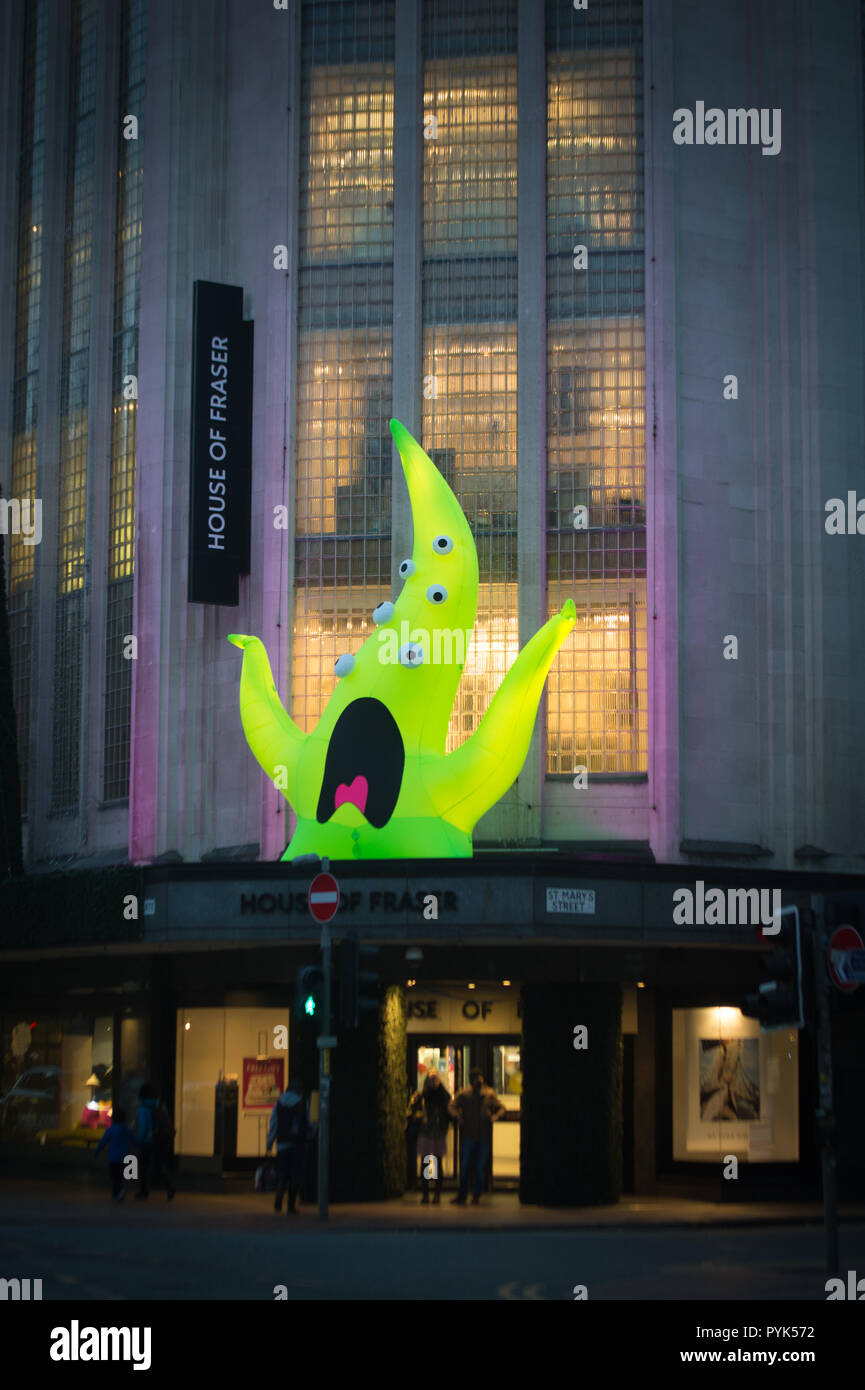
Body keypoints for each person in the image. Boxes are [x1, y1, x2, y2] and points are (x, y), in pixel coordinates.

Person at [448, 1069, 506, 1206]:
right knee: (467, 1166)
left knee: (477, 1167)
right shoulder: (465, 1094)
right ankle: (466, 1195)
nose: (478, 1082)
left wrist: (495, 1116)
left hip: (479, 1135)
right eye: (476, 1079)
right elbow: (451, 1106)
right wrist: (458, 1117)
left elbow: (501, 1108)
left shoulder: (487, 1094)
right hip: (473, 1135)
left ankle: (473, 1195)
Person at [266, 1079, 310, 1214]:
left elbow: (274, 1125)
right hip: (298, 1144)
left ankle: (279, 1193)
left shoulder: (278, 1104)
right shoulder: (303, 1103)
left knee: (282, 1173)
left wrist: (269, 1143)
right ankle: (291, 1205)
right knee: (295, 1174)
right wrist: (310, 1134)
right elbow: (310, 1123)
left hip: (282, 1144)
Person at [408, 1070, 451, 1205]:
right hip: (427, 1132)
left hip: (435, 1131)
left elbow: (449, 1111)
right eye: (432, 1078)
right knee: (427, 1163)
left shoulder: (442, 1095)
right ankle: (426, 1194)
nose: (434, 1081)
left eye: (435, 1078)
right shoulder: (424, 1095)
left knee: (436, 1163)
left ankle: (436, 1194)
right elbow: (411, 1111)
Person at [135, 1083, 175, 1200]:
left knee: (144, 1166)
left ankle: (144, 1191)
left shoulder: (142, 1107)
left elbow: (143, 1126)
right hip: (161, 1139)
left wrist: (138, 1140)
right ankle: (169, 1185)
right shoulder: (161, 1106)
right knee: (159, 1164)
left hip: (148, 1140)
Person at [94, 1106, 138, 1202]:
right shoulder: (127, 1130)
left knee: (114, 1177)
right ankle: (121, 1191)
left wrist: (96, 1152)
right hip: (125, 1157)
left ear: (113, 1118)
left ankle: (116, 1194)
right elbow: (135, 1141)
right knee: (122, 1176)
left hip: (113, 1158)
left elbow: (103, 1142)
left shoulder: (110, 1130)